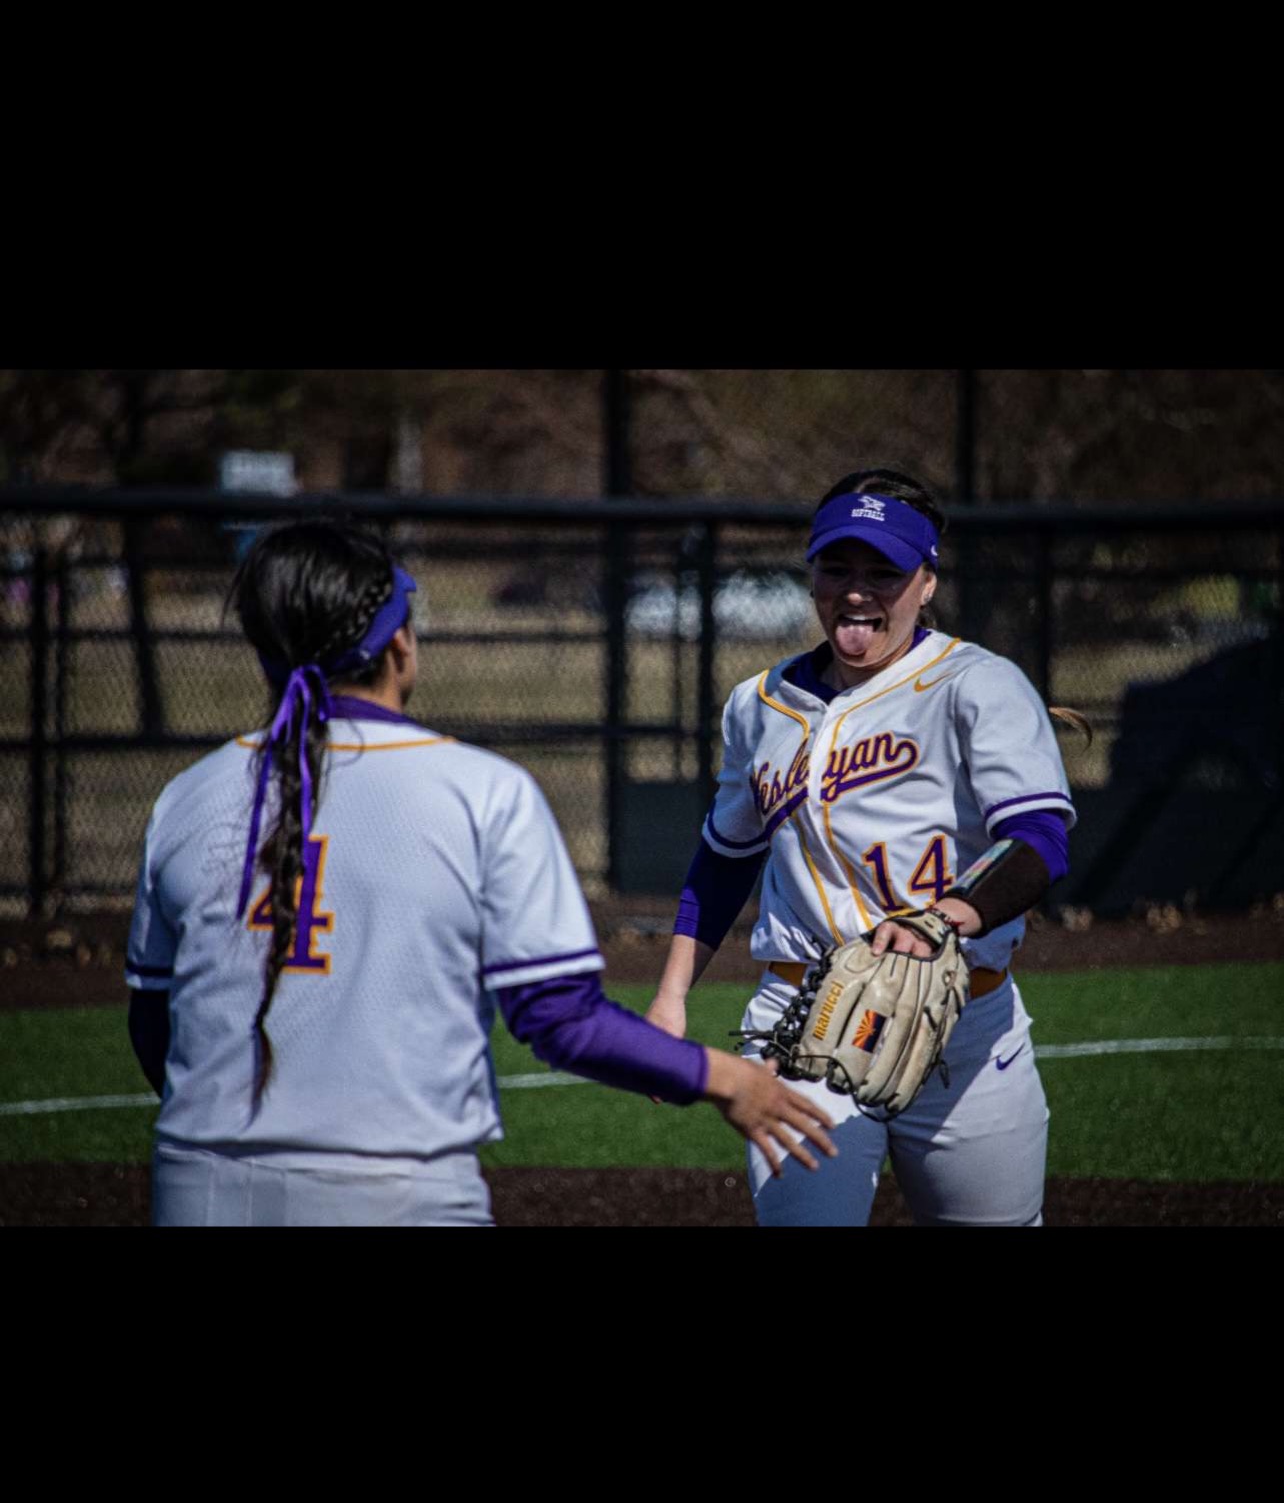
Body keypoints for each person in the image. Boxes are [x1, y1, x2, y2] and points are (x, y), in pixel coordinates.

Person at [125, 519, 835, 1227]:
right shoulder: (481, 793)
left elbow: (157, 1028)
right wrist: (724, 1077)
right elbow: (559, 1020)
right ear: (401, 644)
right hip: (394, 1189)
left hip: (199, 1185)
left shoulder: (186, 797)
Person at [646, 467, 1078, 1228]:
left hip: (960, 1023)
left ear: (926, 583)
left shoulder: (976, 684)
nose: (856, 592)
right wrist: (670, 997)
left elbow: (1039, 840)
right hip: (804, 1022)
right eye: (836, 567)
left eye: (883, 572)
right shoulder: (759, 704)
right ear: (811, 574)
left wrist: (944, 918)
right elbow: (725, 858)